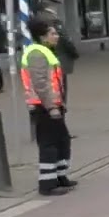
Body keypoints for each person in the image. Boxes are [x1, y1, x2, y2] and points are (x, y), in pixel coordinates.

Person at [21, 19, 75, 195]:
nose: (56, 36)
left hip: (52, 104)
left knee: (62, 141)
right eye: (52, 34)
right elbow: (41, 84)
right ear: (43, 37)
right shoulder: (36, 54)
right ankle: (47, 184)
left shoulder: (46, 51)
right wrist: (51, 106)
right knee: (49, 144)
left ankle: (60, 176)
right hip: (43, 106)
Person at [34, 0, 80, 101]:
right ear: (53, 5)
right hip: (57, 58)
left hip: (45, 59)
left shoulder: (39, 17)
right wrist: (74, 53)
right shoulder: (53, 19)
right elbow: (64, 38)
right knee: (59, 92)